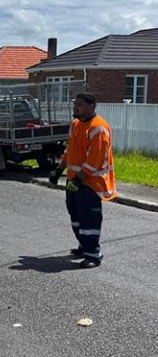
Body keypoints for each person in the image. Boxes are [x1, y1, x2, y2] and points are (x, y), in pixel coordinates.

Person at [49, 93, 117, 269]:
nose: (75, 108)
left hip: (91, 182)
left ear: (92, 106)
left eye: (79, 105)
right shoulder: (76, 124)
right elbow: (70, 151)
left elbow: (95, 160)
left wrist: (78, 180)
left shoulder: (98, 128)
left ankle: (93, 254)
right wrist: (58, 171)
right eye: (75, 105)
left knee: (89, 217)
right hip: (74, 180)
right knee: (76, 214)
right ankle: (84, 245)